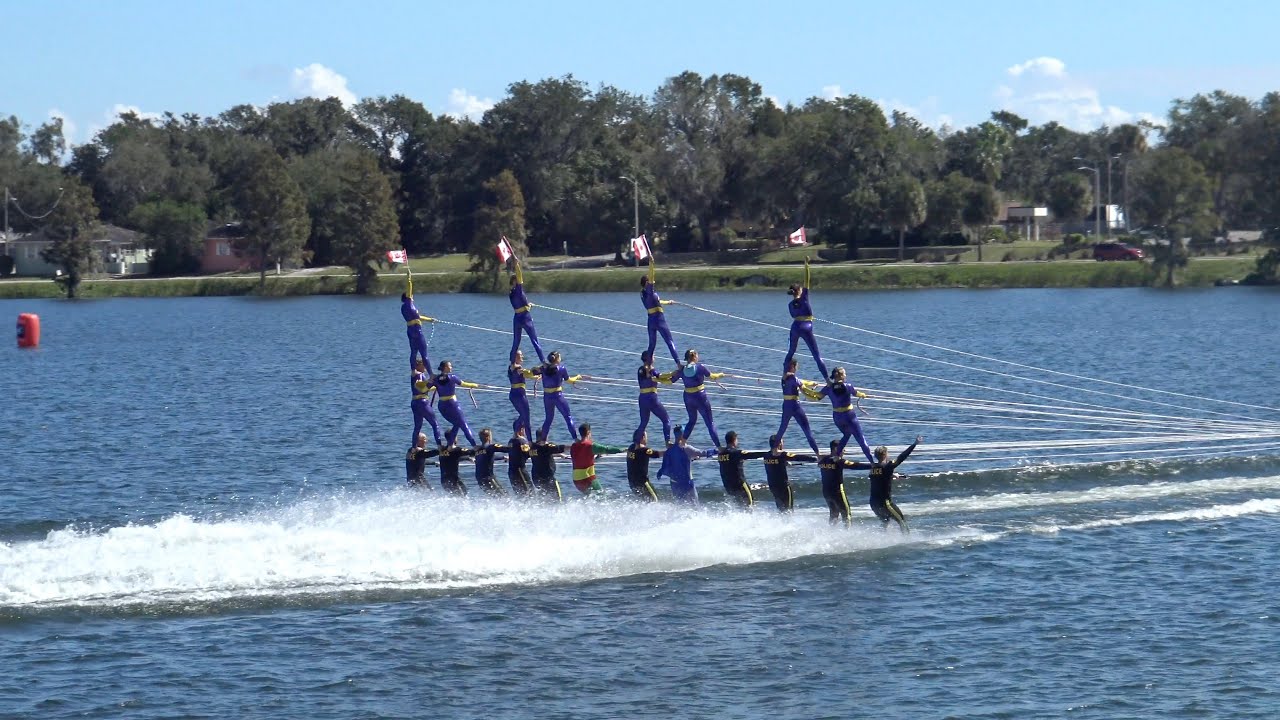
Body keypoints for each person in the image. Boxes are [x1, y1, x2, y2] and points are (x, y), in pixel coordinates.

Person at [803, 367, 874, 463]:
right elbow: (856, 393)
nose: (846, 375)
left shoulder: (828, 388)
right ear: (841, 375)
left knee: (847, 434)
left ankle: (836, 456)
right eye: (844, 374)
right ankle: (872, 463)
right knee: (861, 439)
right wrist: (864, 395)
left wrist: (803, 389)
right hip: (849, 416)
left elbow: (816, 397)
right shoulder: (848, 386)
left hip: (837, 417)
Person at [784, 256, 829, 381]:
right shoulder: (804, 297)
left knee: (791, 352)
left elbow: (794, 315)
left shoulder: (790, 305)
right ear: (799, 290)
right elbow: (807, 280)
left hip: (795, 326)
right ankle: (827, 380)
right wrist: (806, 265)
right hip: (806, 326)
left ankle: (784, 375)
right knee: (816, 355)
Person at [869, 436, 922, 533]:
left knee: (885, 522)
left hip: (873, 503)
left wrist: (893, 475)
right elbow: (902, 457)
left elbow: (879, 477)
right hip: (885, 503)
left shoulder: (873, 468)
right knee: (901, 521)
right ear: (885, 455)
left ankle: (881, 540)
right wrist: (914, 444)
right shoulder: (888, 466)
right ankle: (907, 541)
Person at [674, 349, 726, 448]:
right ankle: (719, 447)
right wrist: (721, 374)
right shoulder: (700, 367)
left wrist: (657, 378)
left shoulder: (682, 370)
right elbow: (711, 376)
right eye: (697, 355)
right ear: (694, 357)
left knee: (692, 420)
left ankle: (682, 443)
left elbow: (671, 380)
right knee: (709, 423)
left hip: (688, 397)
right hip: (700, 397)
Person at [818, 440, 872, 527]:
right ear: (836, 449)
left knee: (834, 513)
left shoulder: (823, 460)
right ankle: (848, 533)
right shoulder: (839, 461)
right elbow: (855, 466)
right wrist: (872, 465)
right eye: (842, 448)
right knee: (846, 513)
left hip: (826, 492)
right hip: (837, 491)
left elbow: (819, 463)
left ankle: (830, 532)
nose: (844, 451)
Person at [656, 425, 714, 505]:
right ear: (683, 435)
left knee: (680, 505)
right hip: (687, 483)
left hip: (674, 483)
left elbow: (666, 466)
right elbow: (702, 453)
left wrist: (660, 472)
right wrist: (716, 451)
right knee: (695, 505)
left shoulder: (669, 450)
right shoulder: (686, 448)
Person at [640, 258, 681, 367]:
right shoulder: (649, 291)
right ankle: (678, 364)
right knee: (669, 341)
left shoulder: (646, 294)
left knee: (652, 345)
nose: (653, 282)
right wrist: (651, 264)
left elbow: (658, 301)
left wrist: (668, 302)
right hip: (659, 320)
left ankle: (648, 367)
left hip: (651, 321)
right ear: (647, 283)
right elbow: (652, 276)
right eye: (650, 281)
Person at [712, 431, 769, 508]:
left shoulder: (720, 454)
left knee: (739, 506)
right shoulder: (735, 453)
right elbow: (751, 455)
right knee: (750, 504)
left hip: (728, 485)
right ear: (735, 440)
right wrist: (768, 454)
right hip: (740, 484)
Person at [761, 435, 818, 513]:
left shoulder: (766, 455)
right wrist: (815, 459)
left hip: (773, 486)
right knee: (789, 509)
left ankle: (781, 523)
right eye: (782, 442)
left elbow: (775, 464)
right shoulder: (782, 455)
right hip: (783, 486)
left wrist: (784, 463)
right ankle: (789, 524)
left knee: (780, 509)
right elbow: (797, 457)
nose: (783, 443)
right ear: (779, 444)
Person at [777, 358, 821, 455]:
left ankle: (774, 450)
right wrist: (817, 396)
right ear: (793, 366)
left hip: (786, 405)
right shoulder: (793, 378)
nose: (797, 368)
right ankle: (818, 453)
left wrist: (811, 383)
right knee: (807, 431)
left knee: (782, 428)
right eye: (796, 366)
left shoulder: (784, 378)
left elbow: (801, 381)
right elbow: (804, 390)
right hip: (795, 406)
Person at [569, 423, 626, 495]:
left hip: (576, 480)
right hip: (587, 478)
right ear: (589, 432)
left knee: (590, 497)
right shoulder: (591, 445)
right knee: (602, 496)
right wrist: (622, 450)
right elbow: (608, 449)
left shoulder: (573, 446)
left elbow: (581, 457)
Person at [434, 360, 481, 447]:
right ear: (445, 367)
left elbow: (426, 388)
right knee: (463, 424)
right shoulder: (452, 377)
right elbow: (463, 384)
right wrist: (474, 385)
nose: (451, 367)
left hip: (441, 406)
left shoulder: (436, 379)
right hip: (452, 404)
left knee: (457, 424)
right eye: (450, 366)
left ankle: (450, 446)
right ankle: (474, 446)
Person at [539, 350, 582, 442]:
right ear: (557, 359)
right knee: (567, 417)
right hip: (557, 395)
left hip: (547, 397)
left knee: (548, 419)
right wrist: (577, 377)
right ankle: (575, 439)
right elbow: (569, 380)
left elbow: (534, 371)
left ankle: (542, 440)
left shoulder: (543, 368)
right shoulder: (561, 368)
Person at [509, 259, 546, 363]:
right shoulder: (518, 290)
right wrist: (516, 265)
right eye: (518, 280)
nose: (521, 281)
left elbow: (519, 306)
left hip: (517, 318)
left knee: (516, 342)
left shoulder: (512, 293)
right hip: (525, 318)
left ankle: (512, 363)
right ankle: (543, 362)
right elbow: (520, 276)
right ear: (515, 281)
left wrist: (528, 305)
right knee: (535, 341)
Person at [636, 350, 674, 444]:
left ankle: (636, 443)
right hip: (652, 398)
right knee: (666, 420)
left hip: (642, 398)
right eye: (653, 355)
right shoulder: (651, 370)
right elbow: (660, 376)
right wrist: (674, 373)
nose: (654, 357)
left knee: (643, 423)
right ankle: (668, 441)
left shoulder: (640, 369)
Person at [401, 271, 437, 369]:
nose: (413, 298)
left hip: (410, 330)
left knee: (414, 352)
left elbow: (418, 317)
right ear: (408, 297)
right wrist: (409, 278)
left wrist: (430, 320)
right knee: (424, 352)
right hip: (416, 330)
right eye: (411, 296)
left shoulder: (406, 307)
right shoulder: (408, 303)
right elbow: (409, 289)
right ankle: (431, 374)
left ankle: (413, 370)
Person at [508, 349, 540, 441]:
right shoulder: (517, 367)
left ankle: (516, 433)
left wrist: (536, 377)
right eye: (520, 355)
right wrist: (539, 370)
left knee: (523, 416)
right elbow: (528, 373)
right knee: (526, 418)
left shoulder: (513, 368)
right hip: (519, 395)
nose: (522, 357)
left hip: (514, 395)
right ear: (514, 357)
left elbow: (526, 375)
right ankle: (529, 441)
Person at [410, 358, 443, 448]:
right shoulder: (420, 375)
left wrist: (435, 387)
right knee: (435, 424)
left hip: (414, 402)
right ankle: (439, 446)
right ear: (419, 365)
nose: (425, 367)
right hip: (422, 402)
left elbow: (424, 388)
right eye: (423, 365)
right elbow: (422, 387)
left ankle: (414, 447)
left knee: (417, 427)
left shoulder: (413, 375)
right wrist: (433, 384)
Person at [625, 429, 664, 502]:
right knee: (654, 500)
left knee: (644, 501)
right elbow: (657, 454)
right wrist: (671, 451)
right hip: (643, 482)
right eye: (646, 437)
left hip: (632, 482)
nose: (647, 439)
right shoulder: (644, 450)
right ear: (642, 438)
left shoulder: (631, 448)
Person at [530, 429, 567, 503]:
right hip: (548, 478)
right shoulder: (546, 447)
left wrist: (558, 455)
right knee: (557, 498)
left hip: (536, 478)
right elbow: (560, 448)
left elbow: (541, 453)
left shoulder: (532, 447)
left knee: (543, 498)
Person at [473, 428, 509, 497]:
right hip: (488, 478)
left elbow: (486, 458)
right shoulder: (490, 447)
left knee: (496, 497)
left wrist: (502, 457)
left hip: (479, 480)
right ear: (488, 437)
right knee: (505, 496)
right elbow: (506, 449)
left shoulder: (478, 450)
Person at [506, 426, 535, 497]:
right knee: (530, 492)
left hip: (511, 471)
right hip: (520, 471)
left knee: (520, 494)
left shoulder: (511, 441)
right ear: (521, 430)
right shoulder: (521, 441)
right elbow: (528, 453)